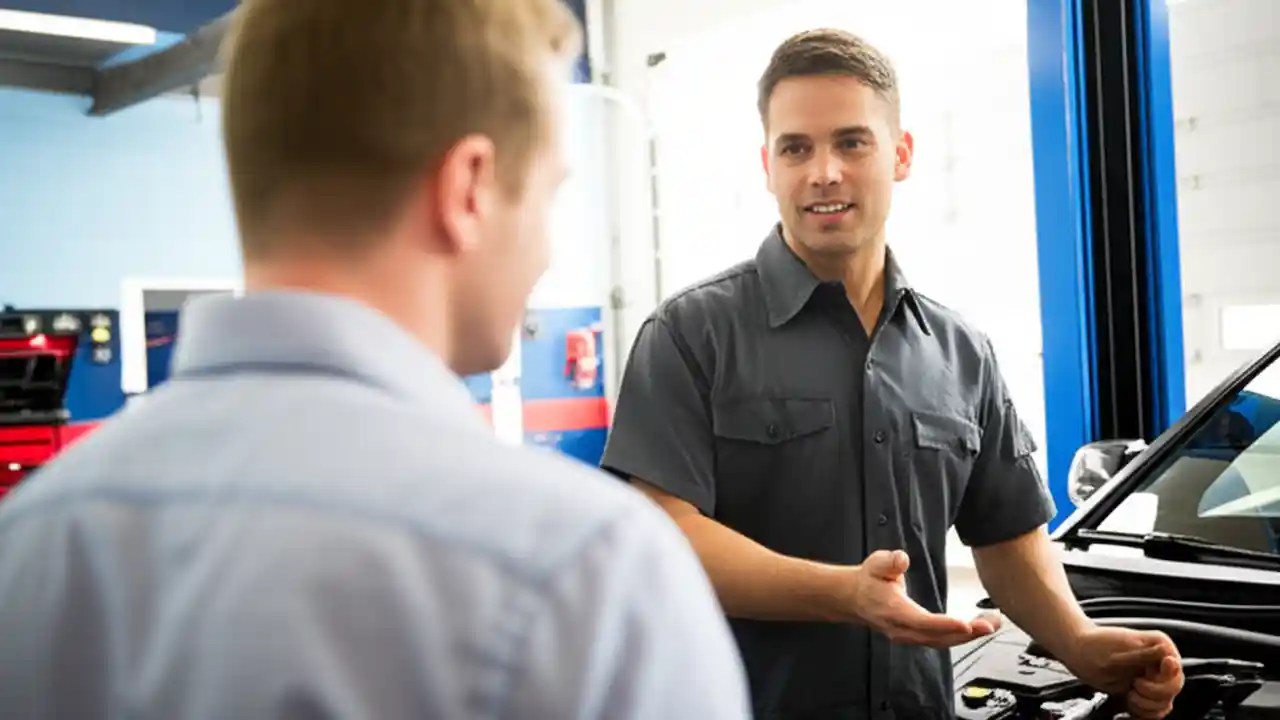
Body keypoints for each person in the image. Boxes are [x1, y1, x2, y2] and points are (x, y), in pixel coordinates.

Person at [0, 2, 751, 718]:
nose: (548, 250)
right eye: (547, 195)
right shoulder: (591, 575)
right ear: (470, 189)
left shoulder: (34, 541)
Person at [601, 28, 1185, 720]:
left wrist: (1083, 644)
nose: (824, 172)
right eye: (796, 148)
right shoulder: (690, 337)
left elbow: (1005, 536)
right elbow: (661, 535)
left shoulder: (961, 351)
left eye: (852, 142)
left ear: (900, 154)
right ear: (767, 165)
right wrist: (844, 594)